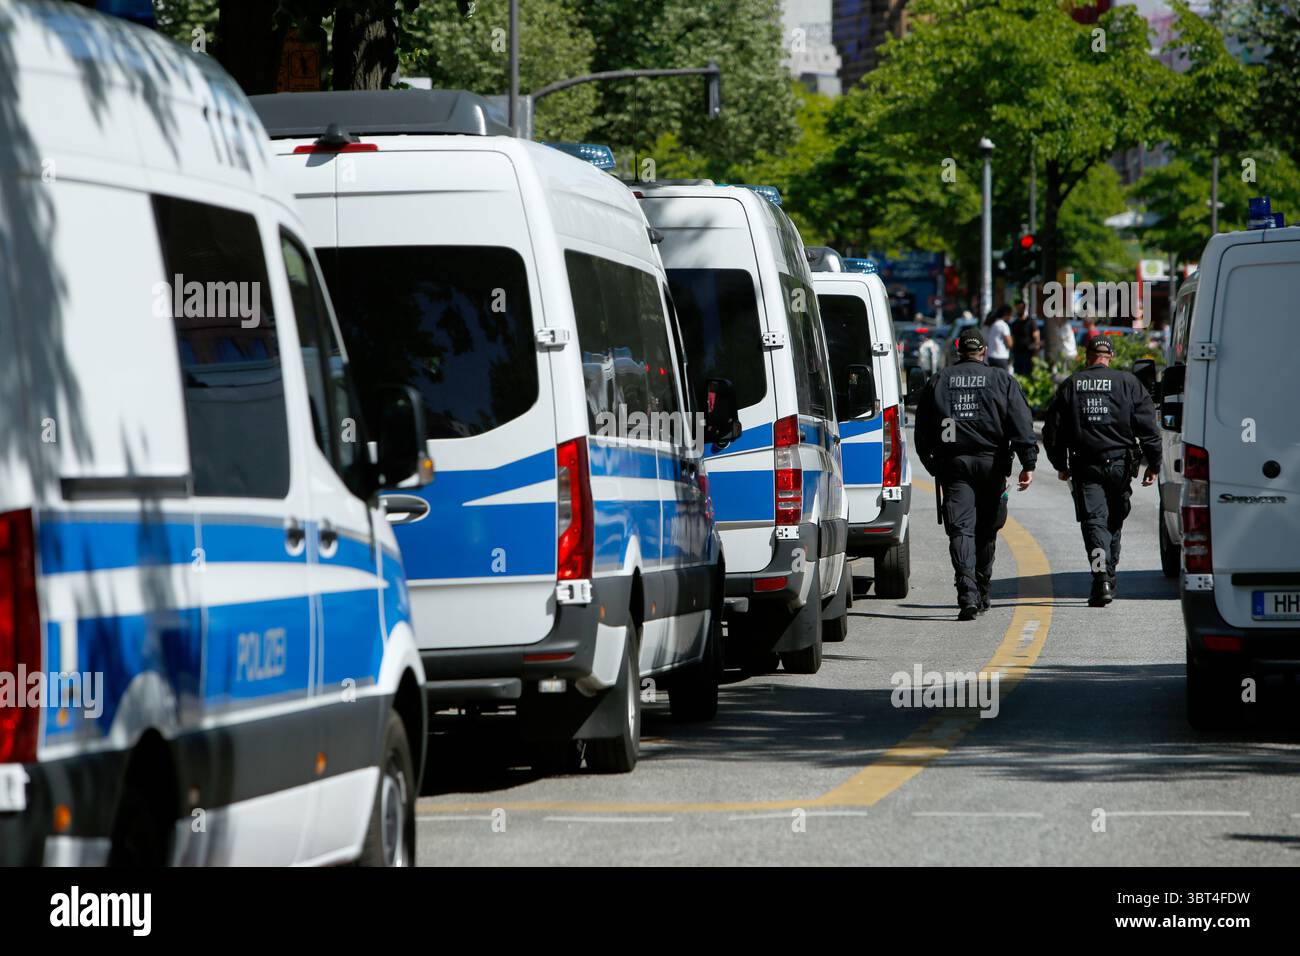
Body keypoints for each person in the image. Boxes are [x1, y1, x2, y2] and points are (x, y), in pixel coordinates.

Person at [915, 328, 1039, 620]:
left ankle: (967, 593)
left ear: (958, 351)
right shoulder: (1001, 380)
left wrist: (934, 465)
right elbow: (1021, 423)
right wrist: (1028, 463)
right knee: (987, 529)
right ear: (984, 351)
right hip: (992, 463)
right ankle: (981, 589)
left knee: (960, 529)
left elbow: (921, 432)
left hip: (953, 465)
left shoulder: (940, 380)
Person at [1042, 337, 1162, 607]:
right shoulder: (1128, 383)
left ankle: (1101, 579)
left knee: (1094, 524)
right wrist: (1154, 464)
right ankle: (1109, 574)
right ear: (1111, 356)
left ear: (1087, 357)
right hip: (1120, 465)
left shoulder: (1071, 384)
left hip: (1086, 465)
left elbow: (1052, 431)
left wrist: (1060, 464)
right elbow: (1148, 428)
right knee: (1114, 521)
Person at [1009, 301, 1040, 375]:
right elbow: (1012, 339)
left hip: (1028, 354)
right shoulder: (1014, 323)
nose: (1019, 309)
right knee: (1017, 374)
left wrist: (1036, 353)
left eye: (1021, 308)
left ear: (1024, 308)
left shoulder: (1031, 322)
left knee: (1028, 375)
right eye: (1018, 308)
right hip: (1017, 354)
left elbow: (1036, 337)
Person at [983, 304, 1013, 370]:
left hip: (991, 357)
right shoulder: (1003, 325)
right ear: (1006, 313)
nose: (1011, 317)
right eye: (1011, 314)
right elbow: (1009, 343)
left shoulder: (993, 324)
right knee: (1002, 379)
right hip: (1001, 357)